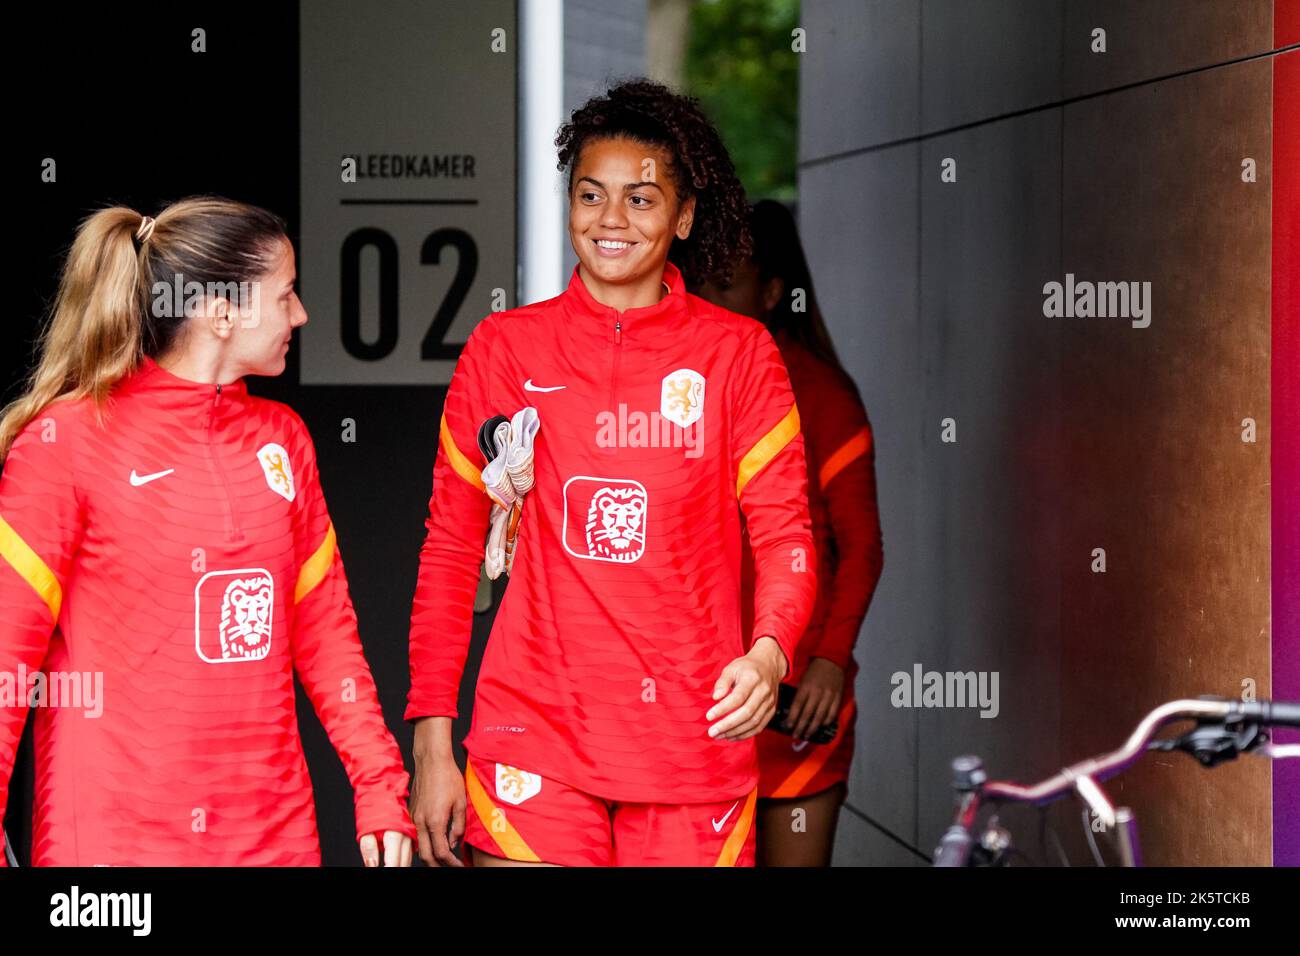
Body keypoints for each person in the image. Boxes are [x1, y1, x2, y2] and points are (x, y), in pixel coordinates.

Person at [406, 80, 818, 867]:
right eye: (591, 195)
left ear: (684, 216)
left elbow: (787, 534)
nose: (611, 221)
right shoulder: (504, 348)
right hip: (534, 738)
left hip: (695, 743)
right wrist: (432, 741)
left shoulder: (738, 355)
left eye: (641, 199)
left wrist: (770, 654)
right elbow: (451, 551)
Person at [0, 197, 416, 866]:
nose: (302, 315)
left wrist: (377, 784)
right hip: (113, 843)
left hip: (273, 836)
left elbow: (325, 634)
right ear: (222, 313)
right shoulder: (66, 443)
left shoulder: (284, 440)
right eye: (285, 295)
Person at [695, 199, 884, 867]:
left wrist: (831, 662)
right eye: (698, 283)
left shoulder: (824, 395)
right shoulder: (685, 387)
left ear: (773, 292)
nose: (707, 300)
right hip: (699, 702)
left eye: (726, 285)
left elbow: (863, 547)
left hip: (798, 700)